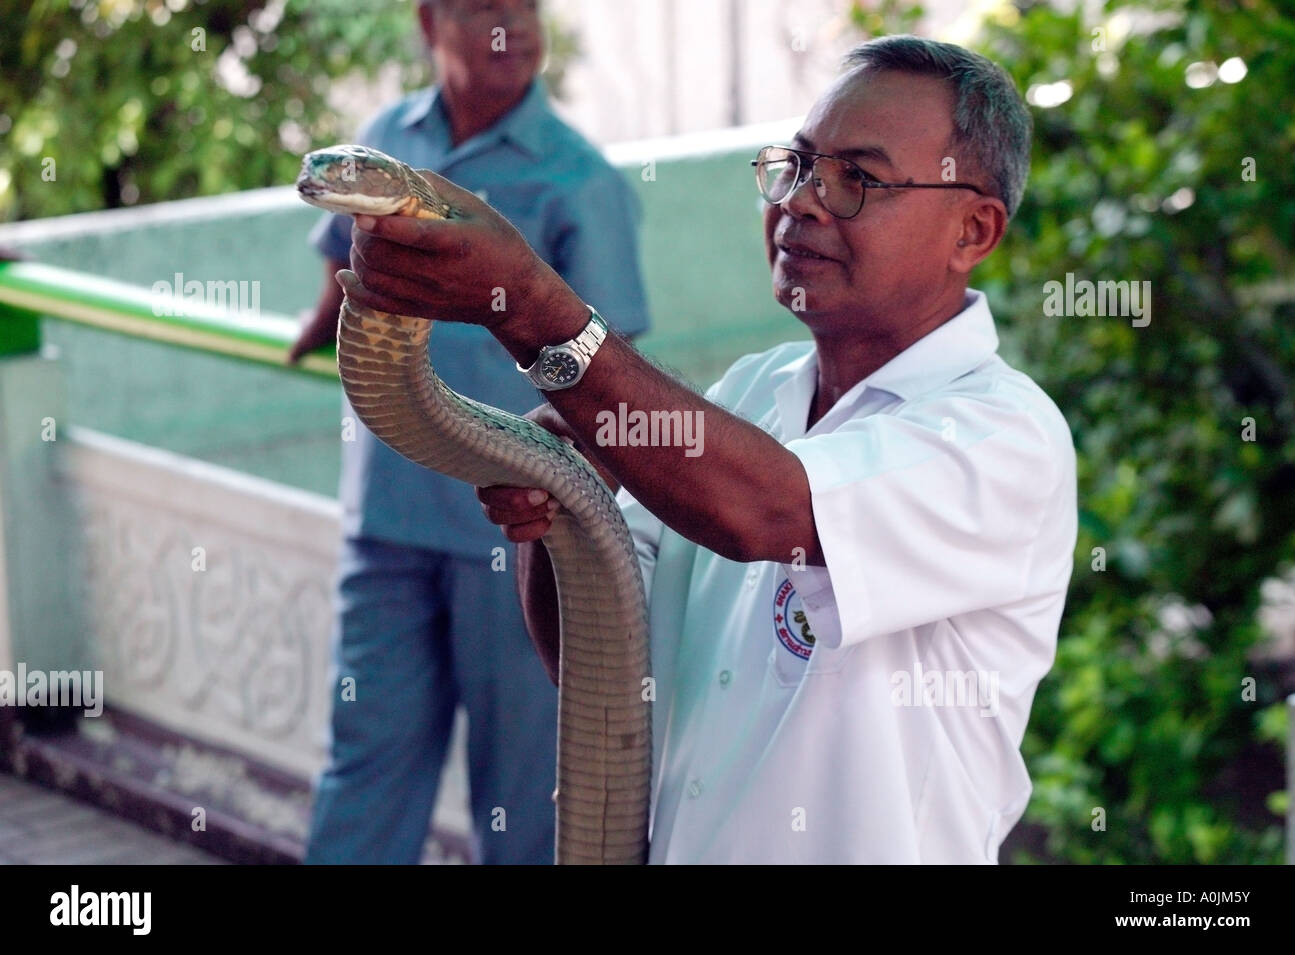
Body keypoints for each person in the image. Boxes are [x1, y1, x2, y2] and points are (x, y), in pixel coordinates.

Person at [339, 35, 1078, 864]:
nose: (802, 201)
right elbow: (603, 668)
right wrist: (560, 506)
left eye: (858, 179)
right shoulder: (749, 393)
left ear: (973, 230)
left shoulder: (1005, 436)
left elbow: (769, 509)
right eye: (796, 165)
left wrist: (530, 305)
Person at [291, 0, 649, 865]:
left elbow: (612, 376)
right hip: (387, 518)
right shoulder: (383, 139)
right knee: (363, 765)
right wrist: (316, 321)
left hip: (513, 529)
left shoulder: (578, 178)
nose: (515, 25)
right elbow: (347, 265)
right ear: (429, 22)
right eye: (487, 6)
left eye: (525, 7)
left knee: (522, 797)